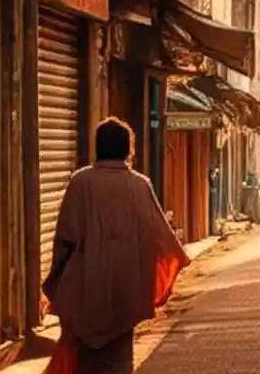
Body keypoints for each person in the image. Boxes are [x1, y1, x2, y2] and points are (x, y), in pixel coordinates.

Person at [43, 117, 190, 373]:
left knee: (86, 363)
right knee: (120, 362)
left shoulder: (81, 182)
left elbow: (65, 239)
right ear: (128, 149)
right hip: (125, 291)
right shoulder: (139, 185)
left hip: (86, 290)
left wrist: (55, 283)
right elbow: (162, 239)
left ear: (98, 147)